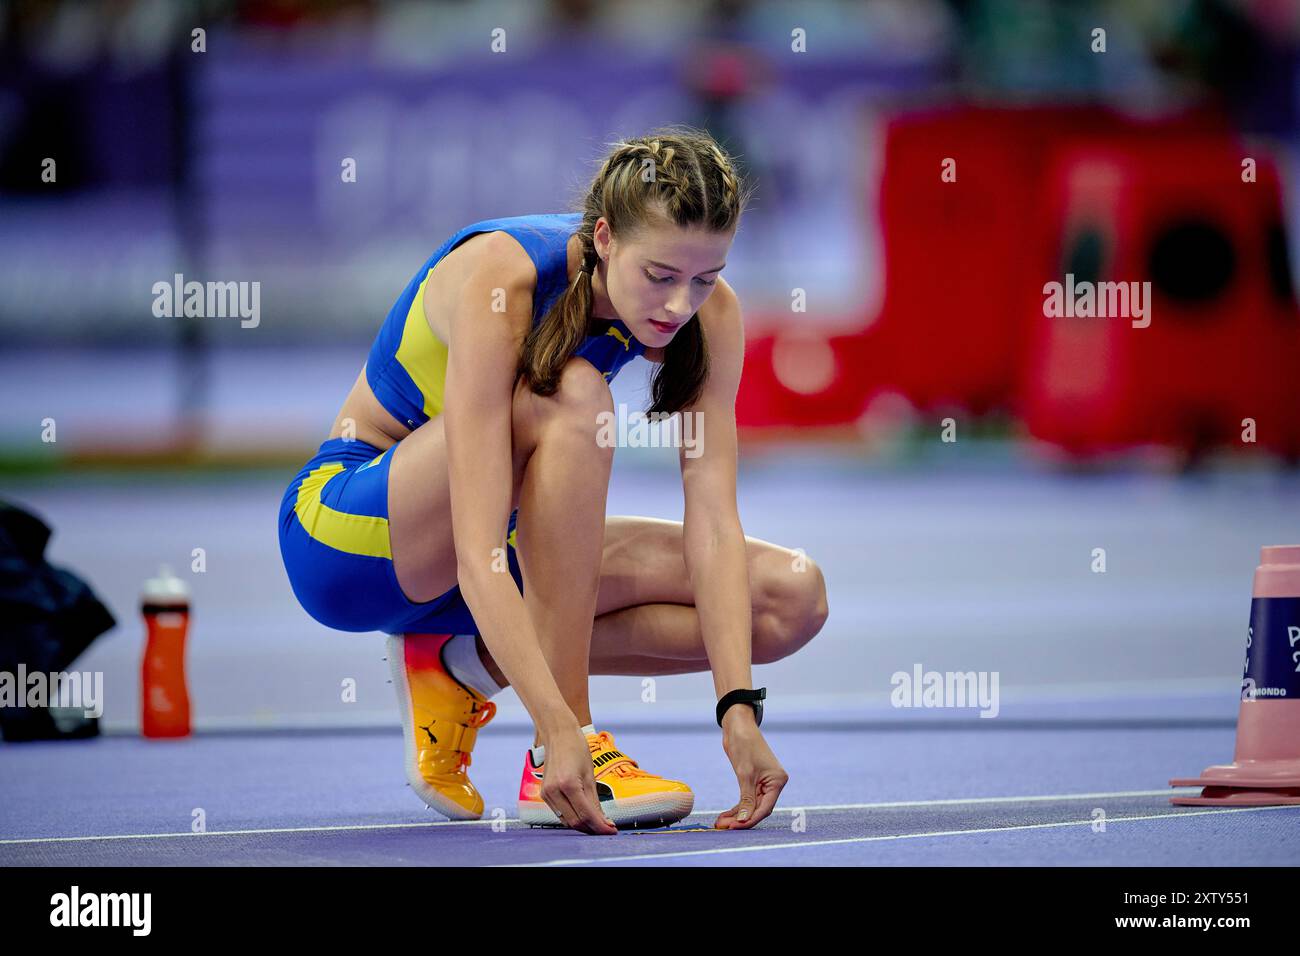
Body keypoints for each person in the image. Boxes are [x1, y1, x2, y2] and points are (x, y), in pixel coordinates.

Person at [278, 127, 828, 834]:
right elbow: (478, 552)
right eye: (659, 275)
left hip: (477, 569)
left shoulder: (709, 314)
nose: (679, 304)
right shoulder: (502, 282)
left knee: (789, 599)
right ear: (604, 237)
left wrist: (737, 713)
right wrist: (559, 729)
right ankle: (564, 753)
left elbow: (714, 524)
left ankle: (461, 665)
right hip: (351, 541)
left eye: (705, 277)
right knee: (572, 395)